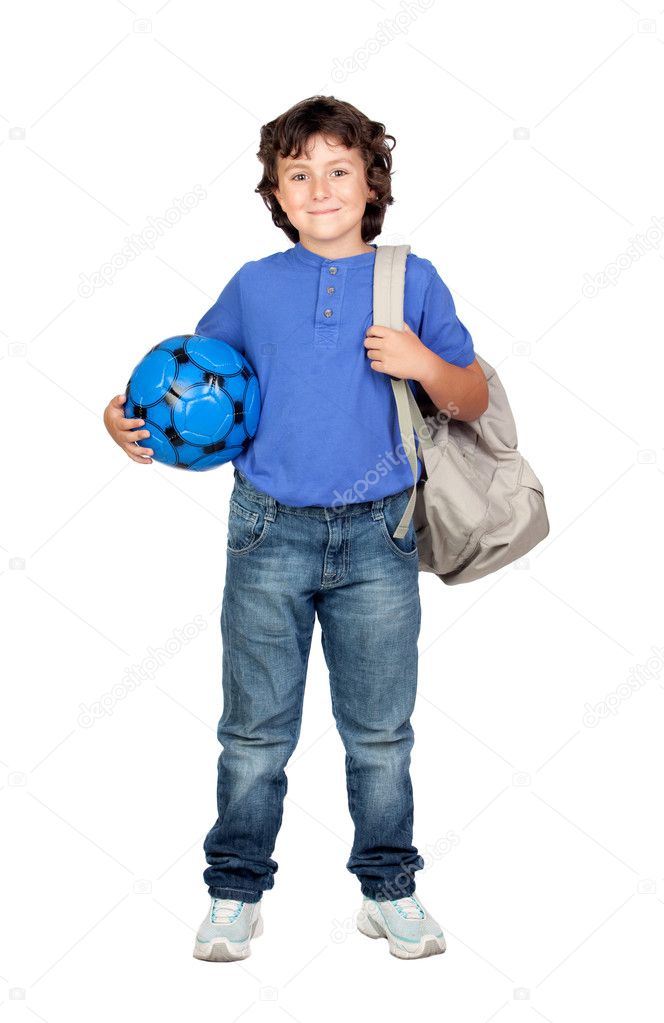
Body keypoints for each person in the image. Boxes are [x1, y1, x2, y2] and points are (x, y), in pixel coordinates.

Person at [103, 95, 488, 962]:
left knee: (381, 730)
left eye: (339, 170)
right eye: (299, 173)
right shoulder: (253, 285)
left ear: (372, 181)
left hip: (379, 535)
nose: (320, 188)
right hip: (266, 532)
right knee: (254, 730)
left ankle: (389, 888)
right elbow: (186, 390)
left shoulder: (411, 280)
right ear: (276, 191)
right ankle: (235, 891)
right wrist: (118, 420)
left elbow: (472, 398)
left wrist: (424, 364)